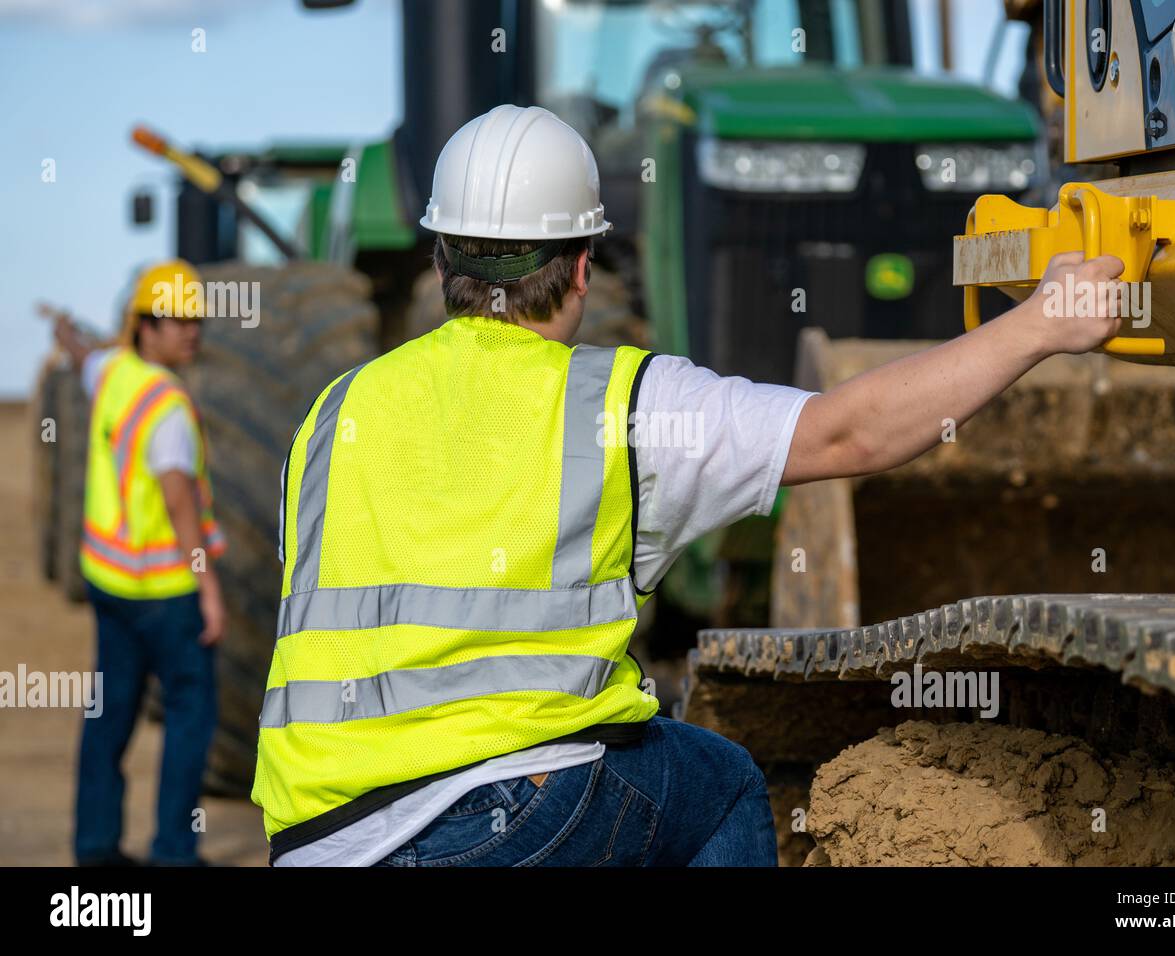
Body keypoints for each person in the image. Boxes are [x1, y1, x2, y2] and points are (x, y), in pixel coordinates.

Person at [254, 105, 1123, 867]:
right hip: (508, 813)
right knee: (721, 783)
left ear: (443, 256)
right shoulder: (624, 404)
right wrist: (1041, 323)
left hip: (317, 837)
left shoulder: (331, 414)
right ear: (583, 267)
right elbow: (849, 431)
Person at [52, 259, 228, 867]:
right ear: (145, 327)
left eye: (196, 320)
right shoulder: (168, 406)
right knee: (189, 718)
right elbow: (180, 502)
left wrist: (66, 335)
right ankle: (174, 854)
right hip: (167, 593)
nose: (191, 331)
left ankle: (95, 849)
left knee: (109, 715)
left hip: (110, 583)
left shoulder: (111, 373)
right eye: (176, 320)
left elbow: (83, 356)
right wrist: (209, 588)